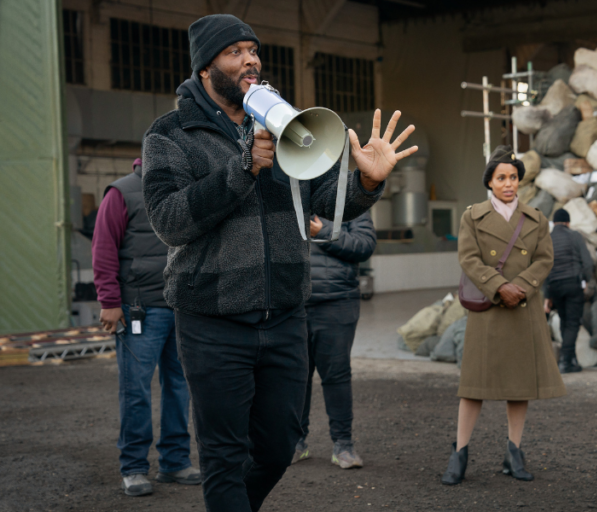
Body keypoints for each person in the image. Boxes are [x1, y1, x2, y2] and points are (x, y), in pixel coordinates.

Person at [141, 14, 416, 511]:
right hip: (213, 320)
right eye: (234, 52)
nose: (250, 60)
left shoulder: (286, 123)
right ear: (206, 68)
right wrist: (241, 168)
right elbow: (169, 221)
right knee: (225, 455)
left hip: (285, 313)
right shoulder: (171, 134)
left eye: (253, 49)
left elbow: (329, 199)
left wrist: (368, 182)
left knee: (278, 445)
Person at [442, 145, 565, 486]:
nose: (509, 183)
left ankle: (514, 452)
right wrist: (499, 286)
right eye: (501, 178)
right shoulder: (473, 216)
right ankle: (460, 453)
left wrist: (521, 287)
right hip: (488, 308)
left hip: (522, 310)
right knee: (473, 386)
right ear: (490, 182)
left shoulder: (537, 218)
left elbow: (544, 259)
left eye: (513, 177)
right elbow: (468, 258)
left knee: (519, 386)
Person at [92, 158, 200, 497]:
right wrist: (109, 302)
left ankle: (174, 461)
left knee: (180, 388)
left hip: (181, 307)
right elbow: (103, 249)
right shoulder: (120, 193)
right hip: (139, 310)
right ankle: (134, 467)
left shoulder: (186, 190)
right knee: (135, 390)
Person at [292, 212, 376, 468]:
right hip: (293, 303)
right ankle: (295, 442)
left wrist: (324, 233)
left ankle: (343, 445)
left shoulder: (350, 198)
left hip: (338, 301)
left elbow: (365, 245)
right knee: (295, 377)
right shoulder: (288, 192)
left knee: (337, 376)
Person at [543, 208, 594, 374]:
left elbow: (543, 269)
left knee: (565, 321)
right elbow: (587, 262)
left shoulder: (547, 239)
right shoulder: (575, 236)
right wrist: (586, 279)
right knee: (572, 323)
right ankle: (565, 362)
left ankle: (571, 360)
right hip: (572, 284)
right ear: (568, 222)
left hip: (555, 287)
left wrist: (547, 296)